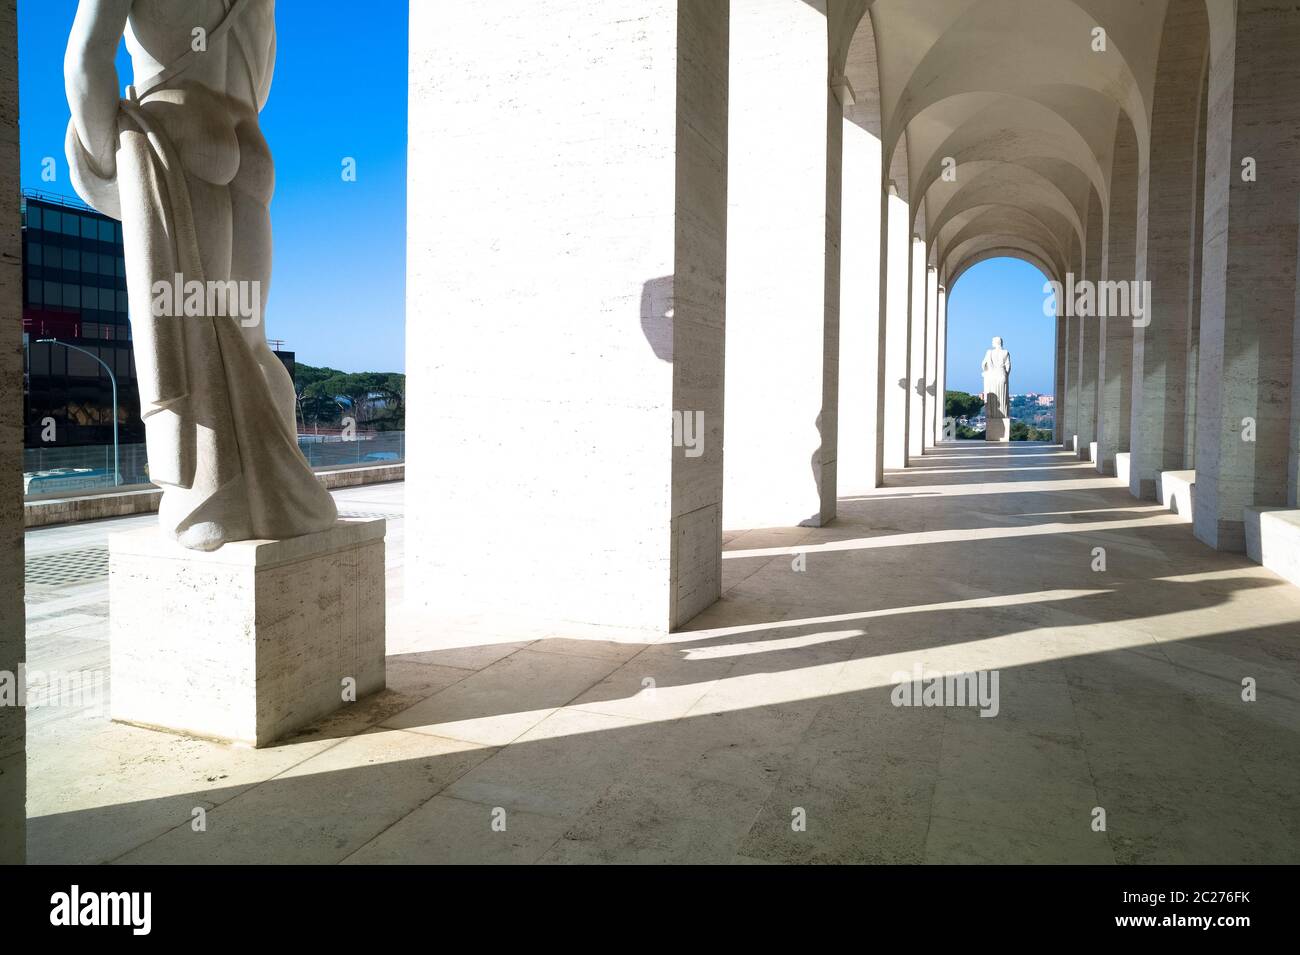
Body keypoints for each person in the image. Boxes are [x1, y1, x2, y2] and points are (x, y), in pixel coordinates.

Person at [65, 0, 336, 550]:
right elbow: (259, 85)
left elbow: (86, 59)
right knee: (248, 337)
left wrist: (113, 168)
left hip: (183, 131)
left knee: (198, 330)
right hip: (249, 142)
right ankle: (282, 498)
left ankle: (211, 499)